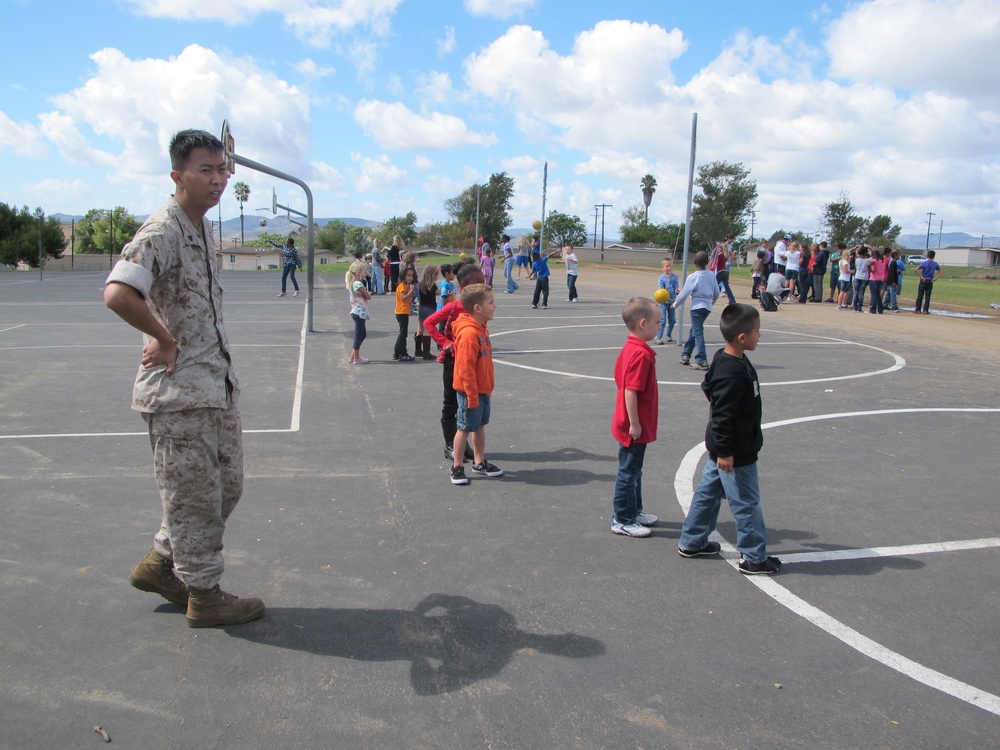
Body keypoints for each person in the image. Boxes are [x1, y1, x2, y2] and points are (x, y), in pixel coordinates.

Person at [103, 129, 264, 628]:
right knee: (194, 498)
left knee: (225, 488)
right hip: (178, 395)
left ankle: (159, 564)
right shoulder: (162, 230)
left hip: (212, 388)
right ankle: (205, 595)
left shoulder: (201, 227)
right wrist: (162, 337)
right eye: (205, 171)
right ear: (178, 176)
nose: (218, 180)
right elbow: (118, 292)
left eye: (222, 170)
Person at [677, 303, 782, 575]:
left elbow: (707, 385)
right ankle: (754, 557)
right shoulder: (732, 372)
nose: (760, 336)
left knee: (708, 495)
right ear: (742, 338)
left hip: (725, 450)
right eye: (757, 332)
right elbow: (723, 416)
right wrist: (725, 451)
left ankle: (692, 540)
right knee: (747, 503)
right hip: (734, 454)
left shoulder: (726, 358)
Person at [610, 297, 661, 538]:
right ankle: (622, 519)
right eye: (657, 322)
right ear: (643, 323)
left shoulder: (631, 348)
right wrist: (635, 422)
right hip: (632, 426)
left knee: (634, 471)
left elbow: (619, 378)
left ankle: (634, 511)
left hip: (631, 422)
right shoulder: (639, 354)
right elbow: (630, 389)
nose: (659, 326)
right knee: (629, 472)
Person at [425, 261, 485, 462]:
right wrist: (445, 342)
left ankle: (462, 443)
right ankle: (450, 443)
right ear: (465, 287)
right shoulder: (455, 306)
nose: (483, 286)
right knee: (451, 402)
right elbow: (429, 323)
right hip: (453, 362)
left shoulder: (479, 307)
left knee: (467, 403)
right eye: (479, 283)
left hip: (471, 363)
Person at [449, 283, 504, 485]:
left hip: (483, 390)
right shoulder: (469, 334)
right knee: (464, 427)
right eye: (491, 302)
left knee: (480, 426)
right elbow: (465, 370)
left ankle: (479, 462)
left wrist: (487, 387)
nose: (495, 306)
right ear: (477, 309)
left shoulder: (481, 328)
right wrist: (472, 396)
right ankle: (457, 466)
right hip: (469, 392)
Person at [672, 250, 720, 371]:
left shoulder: (693, 277)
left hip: (697, 308)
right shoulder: (711, 275)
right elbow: (716, 293)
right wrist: (710, 303)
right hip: (707, 308)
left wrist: (675, 304)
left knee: (698, 333)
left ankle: (701, 360)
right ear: (707, 262)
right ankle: (686, 354)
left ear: (694, 262)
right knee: (694, 331)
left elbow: (683, 294)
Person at [347, 260, 371, 364]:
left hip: (359, 312)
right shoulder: (357, 283)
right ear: (358, 272)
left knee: (363, 334)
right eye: (364, 271)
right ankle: (356, 358)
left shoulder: (353, 283)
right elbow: (368, 296)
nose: (366, 274)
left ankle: (353, 356)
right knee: (358, 334)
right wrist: (365, 293)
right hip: (359, 312)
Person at [393, 265, 417, 361]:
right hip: (401, 312)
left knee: (402, 333)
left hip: (404, 312)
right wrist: (410, 293)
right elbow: (403, 298)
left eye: (412, 275)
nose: (410, 277)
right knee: (403, 334)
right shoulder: (402, 286)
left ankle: (397, 352)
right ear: (403, 276)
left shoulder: (405, 286)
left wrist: (412, 292)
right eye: (408, 275)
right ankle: (403, 353)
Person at [416, 264, 440, 360]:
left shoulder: (421, 284)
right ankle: (426, 352)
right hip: (429, 308)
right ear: (431, 275)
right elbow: (438, 292)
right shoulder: (432, 285)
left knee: (420, 329)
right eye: (436, 274)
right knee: (427, 330)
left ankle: (418, 350)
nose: (437, 277)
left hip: (422, 307)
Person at [654, 256, 679, 344]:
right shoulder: (662, 278)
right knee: (663, 320)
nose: (669, 268)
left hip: (672, 302)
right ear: (663, 267)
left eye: (670, 266)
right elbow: (661, 290)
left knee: (672, 320)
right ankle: (658, 336)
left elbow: (676, 288)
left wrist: (678, 290)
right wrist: (665, 289)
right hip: (663, 303)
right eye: (667, 266)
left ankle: (668, 334)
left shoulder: (675, 277)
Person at [914, 250, 943, 314]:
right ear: (933, 256)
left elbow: (916, 269)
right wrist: (935, 278)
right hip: (930, 281)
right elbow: (941, 271)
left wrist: (921, 276)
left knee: (920, 295)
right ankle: (925, 310)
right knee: (928, 296)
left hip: (923, 280)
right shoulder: (935, 264)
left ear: (927, 256)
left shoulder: (924, 263)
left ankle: (918, 309)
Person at [712, 235, 736, 305]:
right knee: (727, 287)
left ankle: (708, 298)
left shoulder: (720, 255)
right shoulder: (726, 255)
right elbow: (732, 256)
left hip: (720, 272)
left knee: (714, 285)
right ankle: (732, 300)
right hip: (725, 271)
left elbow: (715, 262)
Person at [852, 246, 871, 312]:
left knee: (856, 292)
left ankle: (854, 307)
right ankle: (859, 307)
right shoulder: (868, 260)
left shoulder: (857, 260)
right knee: (861, 293)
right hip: (864, 277)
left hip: (857, 276)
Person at [868, 248, 887, 314]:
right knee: (878, 295)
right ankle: (880, 309)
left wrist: (871, 270)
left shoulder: (874, 260)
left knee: (873, 295)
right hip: (880, 279)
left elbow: (868, 265)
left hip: (873, 278)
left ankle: (872, 309)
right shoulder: (882, 260)